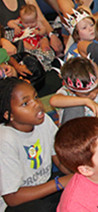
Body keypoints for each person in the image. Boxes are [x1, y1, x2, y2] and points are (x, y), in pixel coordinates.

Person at [0, 77, 72, 212]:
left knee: (79, 193)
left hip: (44, 186)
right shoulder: (5, 140)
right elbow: (12, 197)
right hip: (14, 204)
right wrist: (60, 183)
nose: (37, 104)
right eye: (25, 103)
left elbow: (60, 160)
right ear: (9, 115)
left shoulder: (44, 122)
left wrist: (79, 175)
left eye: (36, 97)